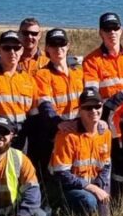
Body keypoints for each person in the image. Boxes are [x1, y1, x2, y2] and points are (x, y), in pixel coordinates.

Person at [82, 12, 123, 197]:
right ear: (101, 33)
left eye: (115, 28)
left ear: (121, 31)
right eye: (107, 29)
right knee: (109, 162)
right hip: (107, 120)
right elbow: (92, 97)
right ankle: (112, 199)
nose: (112, 32)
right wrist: (118, 104)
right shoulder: (92, 60)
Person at [49, 87, 113, 216]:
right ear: (80, 110)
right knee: (89, 200)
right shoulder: (66, 135)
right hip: (68, 188)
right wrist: (93, 188)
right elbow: (62, 174)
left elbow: (106, 164)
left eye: (97, 106)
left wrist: (99, 185)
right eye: (88, 108)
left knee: (105, 215)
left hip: (92, 184)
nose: (93, 111)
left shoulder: (105, 133)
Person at [32, 27, 84, 186]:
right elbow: (45, 104)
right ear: (47, 48)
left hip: (78, 130)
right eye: (53, 45)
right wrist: (59, 123)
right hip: (54, 132)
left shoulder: (78, 72)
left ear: (68, 46)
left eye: (62, 44)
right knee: (53, 175)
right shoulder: (43, 74)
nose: (58, 49)